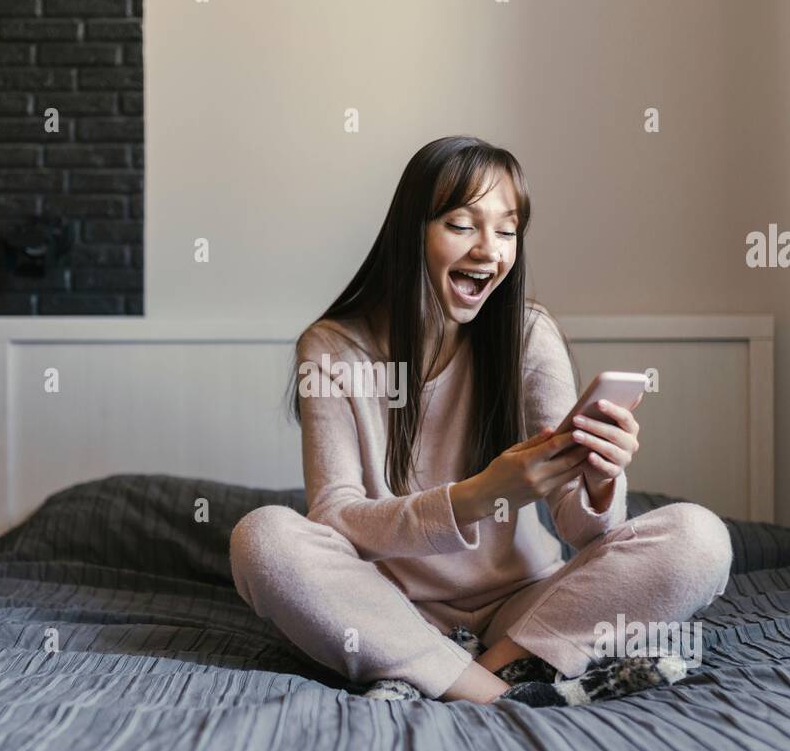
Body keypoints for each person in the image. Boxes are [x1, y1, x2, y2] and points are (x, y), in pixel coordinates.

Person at [230, 135, 732, 707]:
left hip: (524, 605)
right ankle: (504, 689)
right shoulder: (332, 349)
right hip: (391, 611)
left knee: (699, 539)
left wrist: (600, 478)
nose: (489, 250)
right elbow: (336, 519)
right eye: (462, 225)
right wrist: (478, 496)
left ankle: (469, 676)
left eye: (508, 229)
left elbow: (588, 534)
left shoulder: (528, 335)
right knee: (262, 539)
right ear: (411, 232)